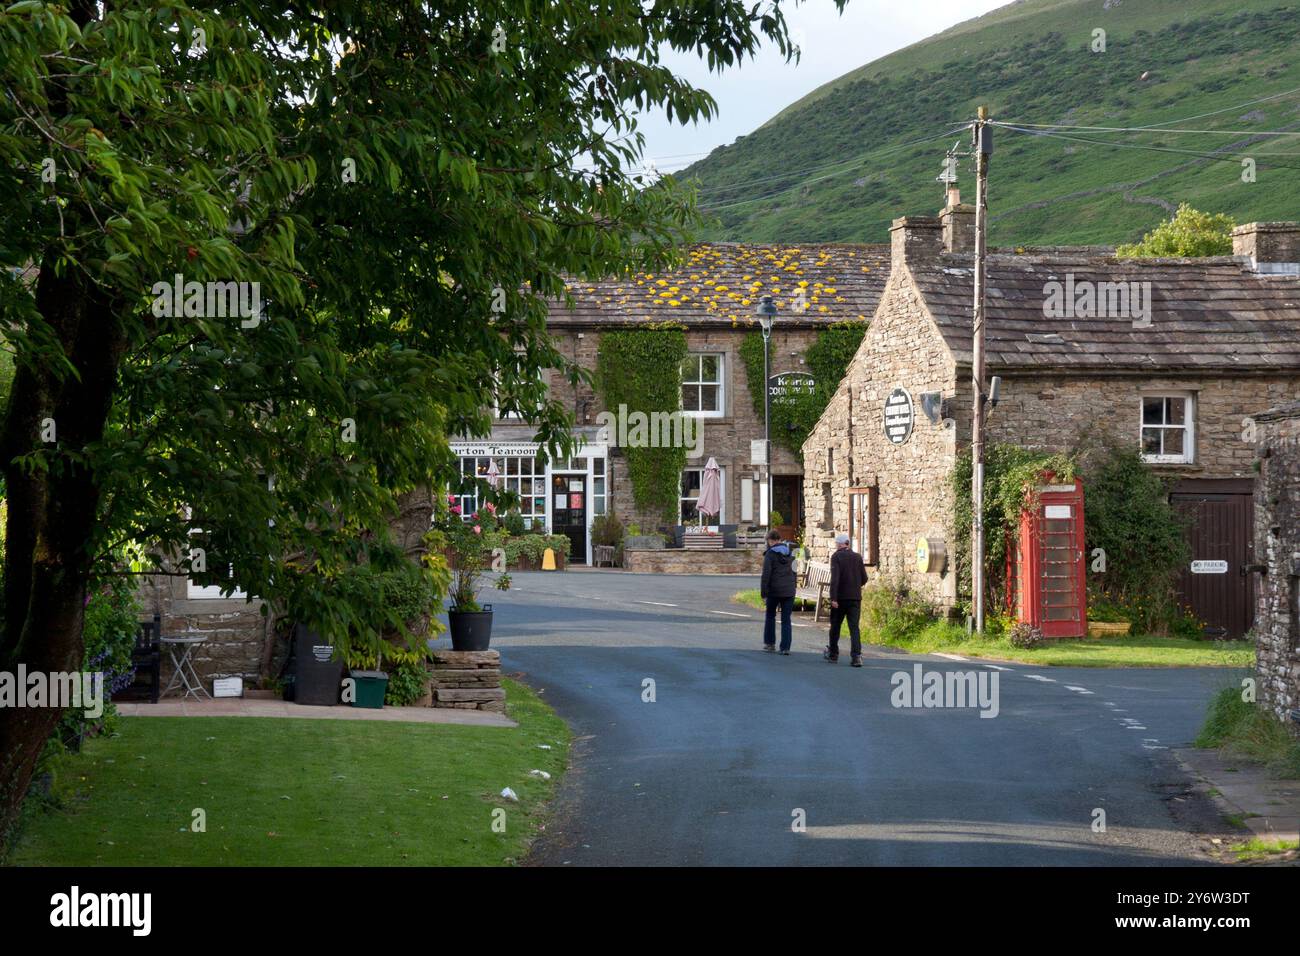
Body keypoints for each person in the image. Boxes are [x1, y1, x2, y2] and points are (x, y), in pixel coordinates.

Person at [824, 532, 867, 667]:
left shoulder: (836, 557)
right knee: (854, 628)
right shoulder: (857, 557)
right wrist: (854, 586)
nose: (836, 545)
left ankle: (833, 654)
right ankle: (856, 657)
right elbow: (864, 578)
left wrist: (833, 598)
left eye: (837, 543)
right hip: (855, 598)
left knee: (835, 626)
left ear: (841, 544)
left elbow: (835, 578)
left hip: (840, 598)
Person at [760, 529, 796, 655]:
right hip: (789, 590)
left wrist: (764, 593)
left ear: (770, 541)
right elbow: (795, 571)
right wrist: (793, 587)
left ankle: (770, 644)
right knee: (786, 619)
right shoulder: (790, 553)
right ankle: (785, 647)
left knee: (770, 616)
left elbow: (766, 575)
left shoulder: (770, 554)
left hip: (774, 591)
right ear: (779, 540)